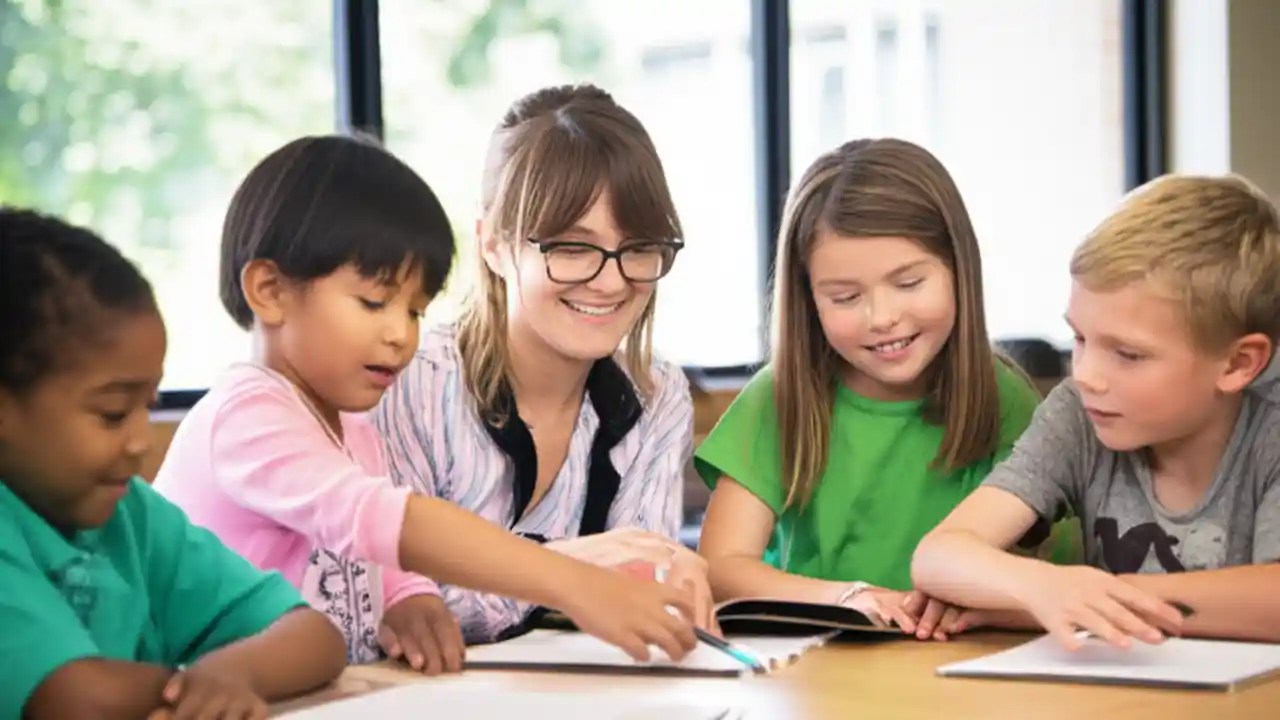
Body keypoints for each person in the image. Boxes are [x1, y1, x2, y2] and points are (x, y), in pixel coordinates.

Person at [154, 134, 696, 670]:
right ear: (269, 291)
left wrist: (407, 596)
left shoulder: (351, 428)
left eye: (414, 311)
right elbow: (381, 519)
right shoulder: (247, 414)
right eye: (374, 302)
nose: (400, 335)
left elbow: (374, 551)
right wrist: (574, 581)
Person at [373, 83, 715, 647]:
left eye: (639, 247)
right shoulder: (414, 381)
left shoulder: (656, 394)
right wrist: (571, 570)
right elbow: (403, 611)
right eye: (572, 248)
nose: (611, 281)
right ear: (494, 246)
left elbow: (643, 589)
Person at [0, 208, 346, 719]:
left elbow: (315, 636)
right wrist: (192, 690)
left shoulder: (130, 513)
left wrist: (236, 672)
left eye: (149, 406)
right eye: (113, 413)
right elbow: (74, 698)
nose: (141, 440)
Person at [696, 138, 1045, 641]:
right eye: (845, 296)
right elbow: (722, 568)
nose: (881, 318)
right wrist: (849, 598)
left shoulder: (1007, 399)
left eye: (908, 284)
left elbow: (1051, 572)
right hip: (819, 668)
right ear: (809, 298)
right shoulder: (778, 397)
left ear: (958, 270)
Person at [913, 174, 1280, 648]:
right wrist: (1045, 589)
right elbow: (939, 555)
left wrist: (1083, 598)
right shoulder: (1079, 414)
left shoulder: (1269, 428)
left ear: (1237, 363)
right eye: (1080, 339)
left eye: (1127, 354)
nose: (1085, 374)